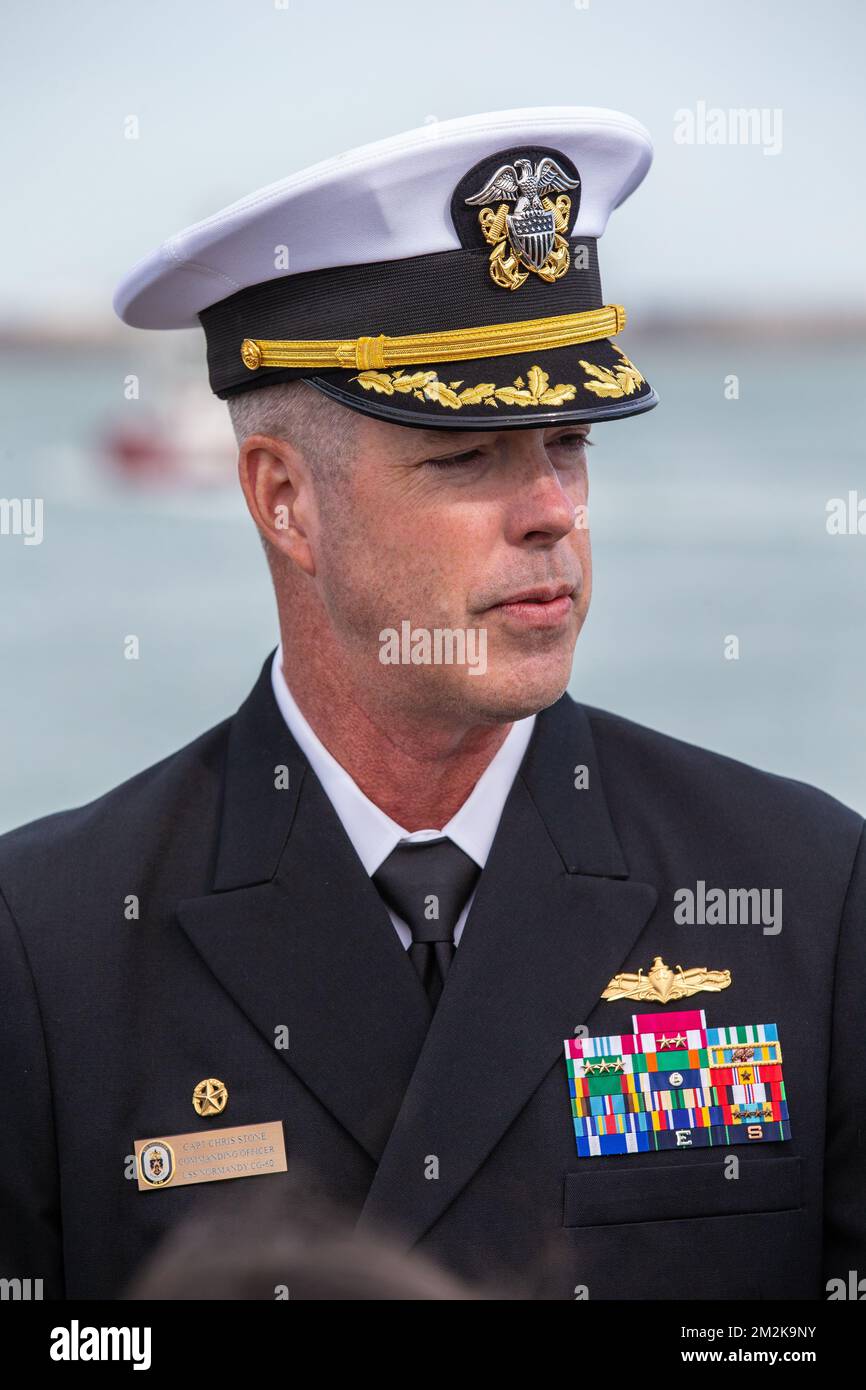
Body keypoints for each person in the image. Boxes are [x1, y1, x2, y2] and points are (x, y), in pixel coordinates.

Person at [1, 108, 863, 1301]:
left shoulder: (808, 894)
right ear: (284, 499)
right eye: (466, 458)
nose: (552, 507)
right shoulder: (46, 950)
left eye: (569, 440)